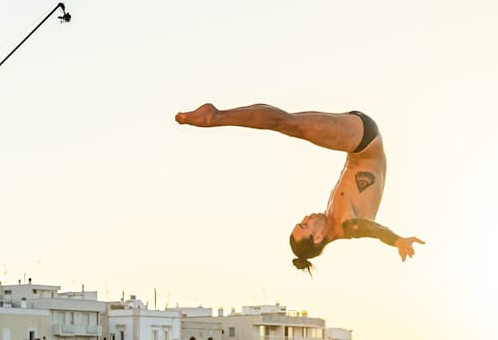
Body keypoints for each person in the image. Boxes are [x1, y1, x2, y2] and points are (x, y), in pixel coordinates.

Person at [174, 103, 423, 270]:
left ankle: (215, 117)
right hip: (363, 140)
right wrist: (397, 240)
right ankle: (213, 117)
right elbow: (372, 230)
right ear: (317, 237)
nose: (305, 217)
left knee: (288, 123)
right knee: (287, 123)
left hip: (357, 140)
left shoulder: (332, 217)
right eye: (304, 225)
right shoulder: (349, 225)